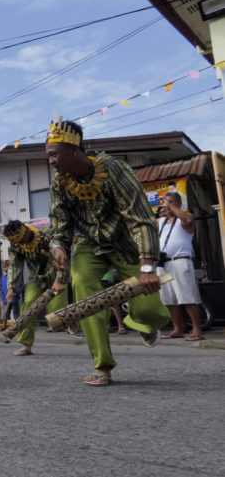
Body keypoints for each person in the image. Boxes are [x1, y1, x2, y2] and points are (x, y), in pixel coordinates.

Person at [46, 117, 169, 386]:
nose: (51, 161)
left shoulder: (113, 169)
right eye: (49, 156)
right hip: (90, 247)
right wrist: (59, 249)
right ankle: (102, 364)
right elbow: (60, 226)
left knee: (151, 312)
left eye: (54, 154)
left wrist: (148, 267)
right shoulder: (59, 185)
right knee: (82, 284)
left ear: (74, 149)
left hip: (126, 243)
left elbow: (141, 218)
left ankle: (142, 322)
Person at [1, 220, 68, 356]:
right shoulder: (16, 246)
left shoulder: (46, 235)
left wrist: (61, 276)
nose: (21, 244)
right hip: (36, 278)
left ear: (26, 230)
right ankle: (26, 345)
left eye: (21, 240)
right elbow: (15, 266)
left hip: (55, 276)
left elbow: (57, 246)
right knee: (28, 306)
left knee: (56, 312)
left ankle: (72, 324)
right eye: (17, 242)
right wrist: (11, 287)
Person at [157, 191, 205, 341]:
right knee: (169, 298)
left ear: (177, 204)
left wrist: (172, 206)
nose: (165, 206)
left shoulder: (185, 219)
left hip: (180, 261)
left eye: (169, 202)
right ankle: (178, 328)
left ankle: (197, 330)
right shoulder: (161, 222)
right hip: (163, 264)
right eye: (164, 203)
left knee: (187, 296)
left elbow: (188, 219)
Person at [0, 260, 21, 331]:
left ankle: (17, 326)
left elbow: (20, 285)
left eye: (7, 267)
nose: (5, 269)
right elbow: (1, 285)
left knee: (16, 313)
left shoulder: (15, 276)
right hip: (5, 298)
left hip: (14, 298)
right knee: (5, 313)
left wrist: (17, 292)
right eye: (4, 267)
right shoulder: (3, 276)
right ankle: (4, 325)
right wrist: (0, 292)